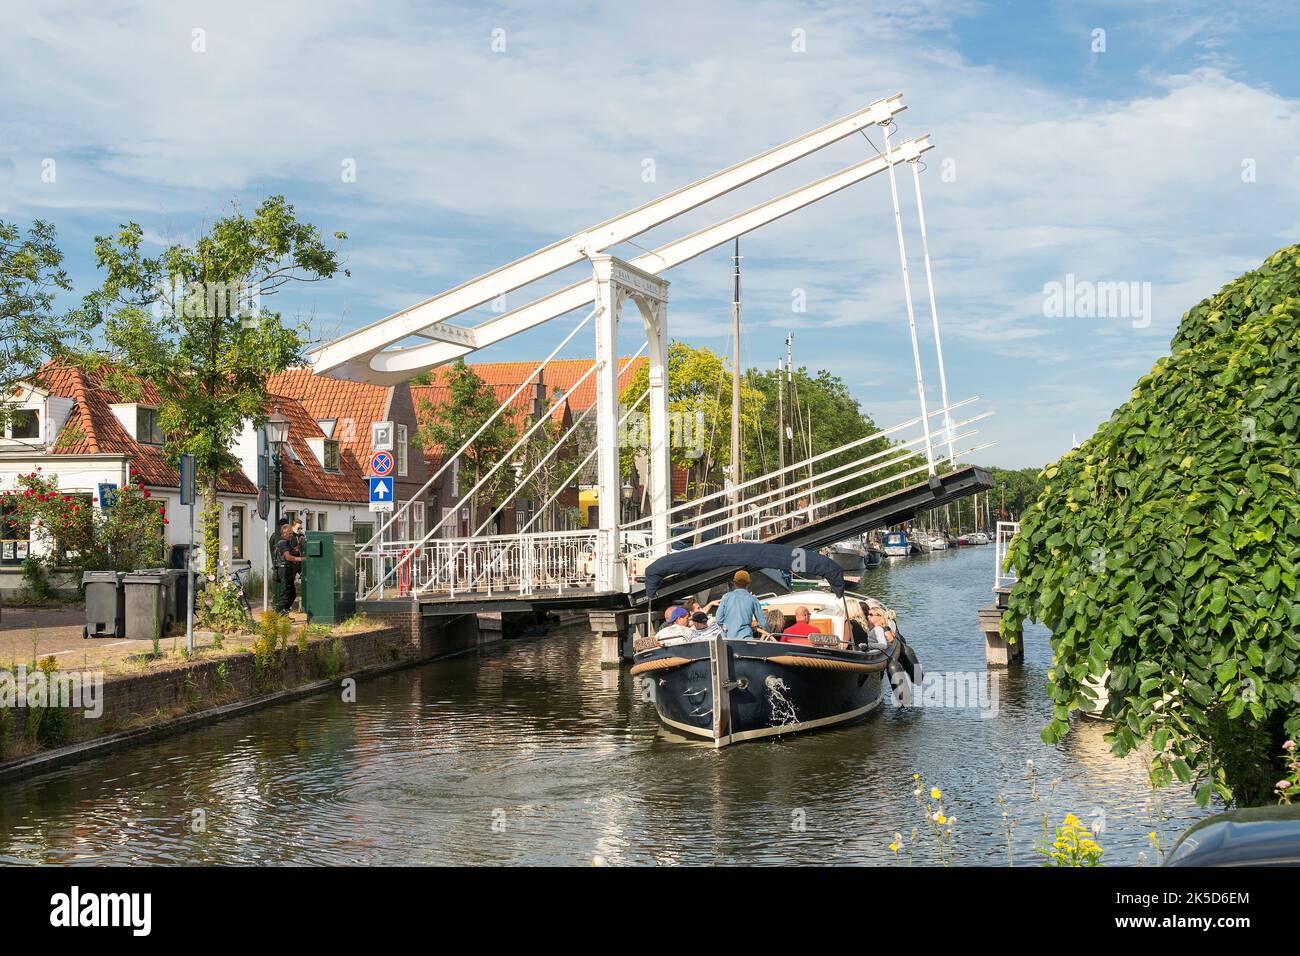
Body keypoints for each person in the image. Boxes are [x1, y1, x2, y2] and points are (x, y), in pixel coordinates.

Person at [715, 570, 765, 640]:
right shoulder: (753, 599)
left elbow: (718, 620)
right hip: (745, 639)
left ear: (734, 583)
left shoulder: (726, 597)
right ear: (748, 583)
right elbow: (763, 623)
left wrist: (729, 626)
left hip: (727, 639)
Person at [273, 522, 305, 614]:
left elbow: (293, 552)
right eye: (289, 533)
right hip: (284, 570)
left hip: (288, 570)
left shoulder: (286, 542)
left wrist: (300, 544)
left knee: (292, 594)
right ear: (283, 533)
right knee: (285, 594)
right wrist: (302, 559)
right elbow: (288, 557)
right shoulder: (282, 543)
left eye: (291, 533)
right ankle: (277, 613)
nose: (292, 535)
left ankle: (284, 612)